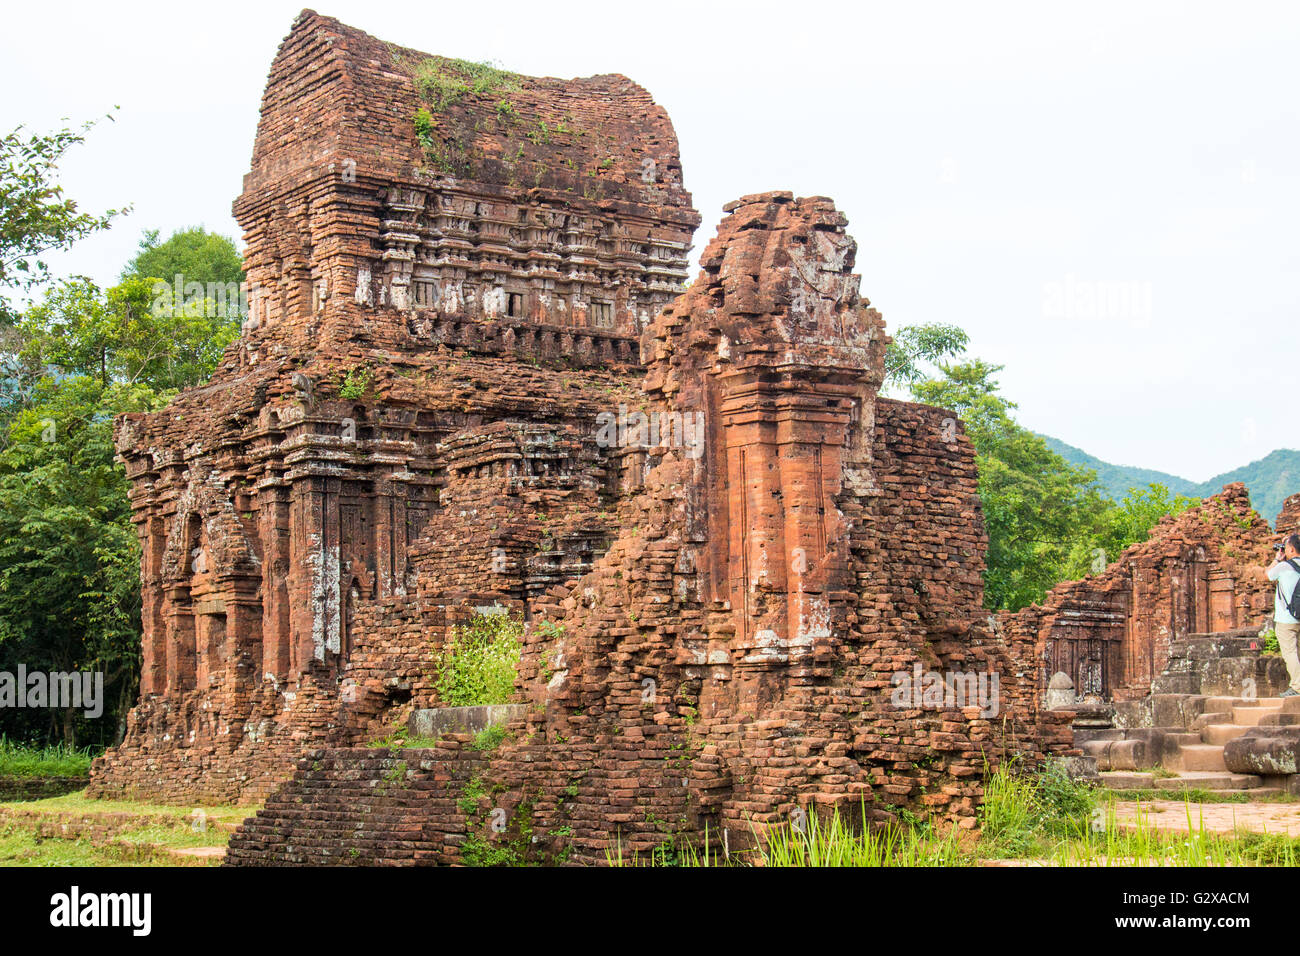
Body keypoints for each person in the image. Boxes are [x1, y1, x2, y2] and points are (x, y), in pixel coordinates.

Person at [1266, 534, 1300, 697]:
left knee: (1290, 653)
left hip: (1287, 619)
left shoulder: (1284, 566)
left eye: (1286, 547)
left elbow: (1268, 574)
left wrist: (1278, 559)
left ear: (1291, 549)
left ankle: (1298, 686)